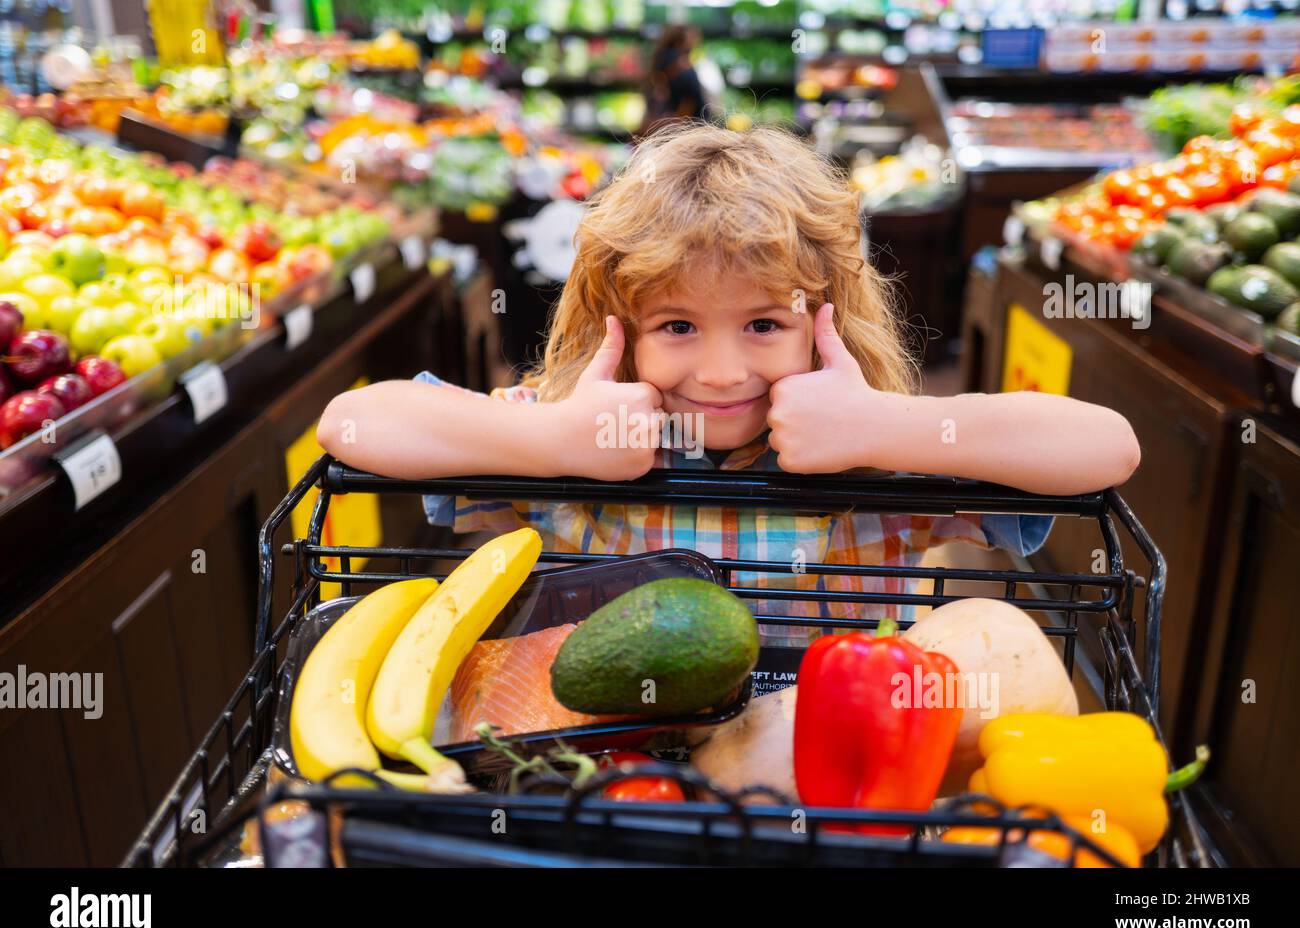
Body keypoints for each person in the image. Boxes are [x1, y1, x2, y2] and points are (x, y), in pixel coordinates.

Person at [316, 123, 1140, 637]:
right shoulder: (571, 438)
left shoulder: (877, 465)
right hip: (605, 792)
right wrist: (550, 438)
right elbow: (354, 425)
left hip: (825, 805)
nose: (719, 372)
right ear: (620, 328)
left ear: (824, 324)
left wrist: (887, 428)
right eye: (677, 326)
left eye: (764, 325)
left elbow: (1109, 448)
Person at [639, 25, 707, 134]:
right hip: (685, 123)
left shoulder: (660, 57)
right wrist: (678, 121)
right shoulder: (682, 64)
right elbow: (690, 97)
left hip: (669, 119)